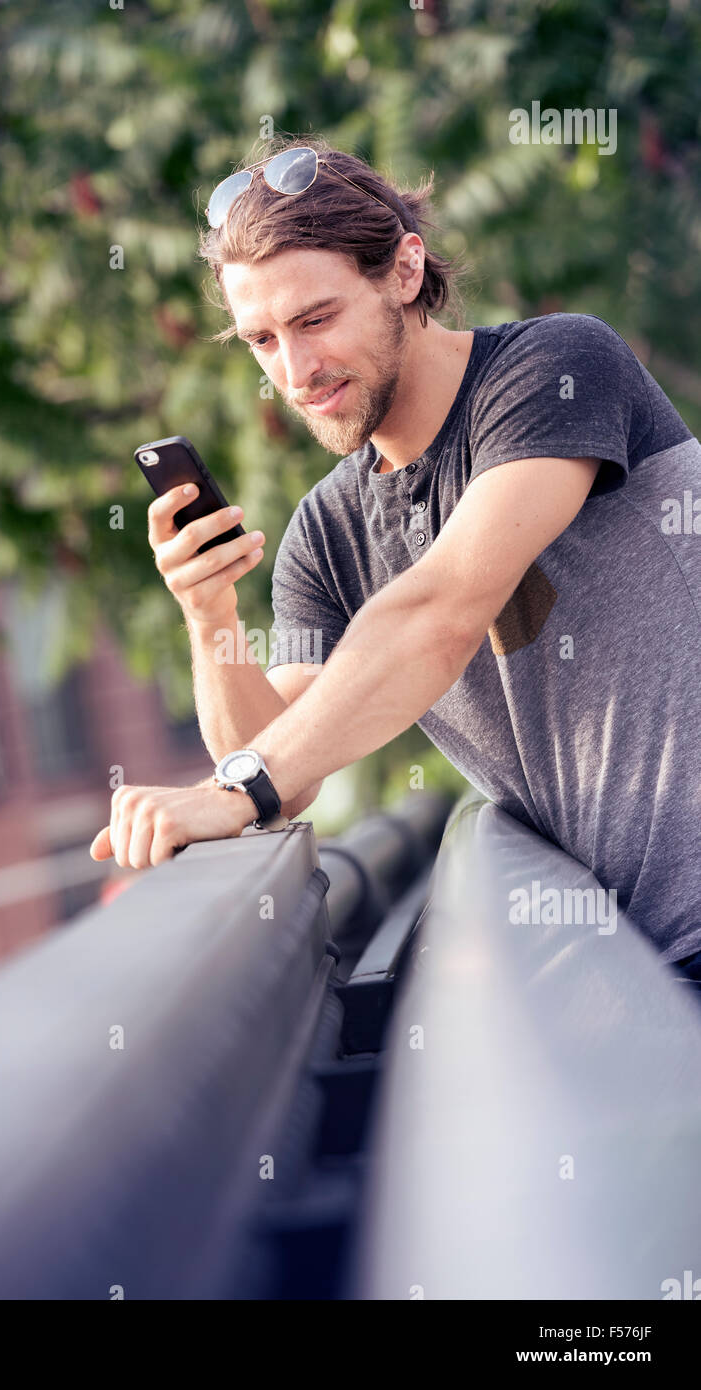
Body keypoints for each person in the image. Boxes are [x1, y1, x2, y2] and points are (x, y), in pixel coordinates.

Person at [91, 136, 701, 987]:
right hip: (638, 974)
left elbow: (442, 609)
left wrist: (233, 790)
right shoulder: (327, 531)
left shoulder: (557, 368)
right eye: (262, 339)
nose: (295, 372)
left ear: (404, 271)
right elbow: (284, 764)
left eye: (315, 320)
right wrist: (210, 616)